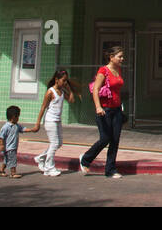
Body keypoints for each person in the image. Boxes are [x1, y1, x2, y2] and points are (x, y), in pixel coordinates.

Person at [80, 46, 126, 178]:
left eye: (122, 56)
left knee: (115, 140)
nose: (122, 59)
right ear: (111, 57)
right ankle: (86, 159)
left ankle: (110, 169)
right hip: (105, 110)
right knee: (105, 138)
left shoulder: (118, 70)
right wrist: (98, 107)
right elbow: (95, 89)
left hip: (116, 109)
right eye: (120, 56)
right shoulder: (103, 71)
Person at [32, 68, 81, 176]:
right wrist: (37, 123)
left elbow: (72, 100)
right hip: (50, 121)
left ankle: (40, 158)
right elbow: (43, 108)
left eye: (66, 81)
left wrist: (69, 89)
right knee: (54, 144)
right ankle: (49, 168)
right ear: (56, 79)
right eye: (63, 80)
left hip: (57, 121)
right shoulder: (50, 91)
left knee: (58, 143)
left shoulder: (62, 91)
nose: (64, 82)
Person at [0, 105, 37, 178]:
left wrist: (31, 130)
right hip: (9, 147)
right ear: (13, 117)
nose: (18, 118)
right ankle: (13, 173)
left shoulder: (17, 125)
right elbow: (1, 137)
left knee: (6, 160)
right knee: (13, 160)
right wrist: (2, 145)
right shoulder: (6, 127)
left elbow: (23, 129)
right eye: (18, 116)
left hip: (13, 146)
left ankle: (1, 170)